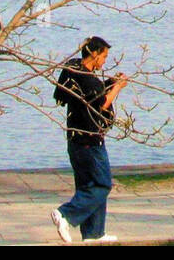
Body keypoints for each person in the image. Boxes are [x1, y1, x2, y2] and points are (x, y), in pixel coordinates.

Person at [51, 36, 128, 244]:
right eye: (103, 56)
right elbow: (101, 103)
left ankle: (94, 234)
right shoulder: (88, 79)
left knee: (87, 186)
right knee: (102, 185)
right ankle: (65, 214)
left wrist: (110, 82)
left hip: (75, 139)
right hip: (90, 140)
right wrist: (117, 87)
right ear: (94, 54)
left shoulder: (73, 69)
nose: (104, 61)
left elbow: (90, 94)